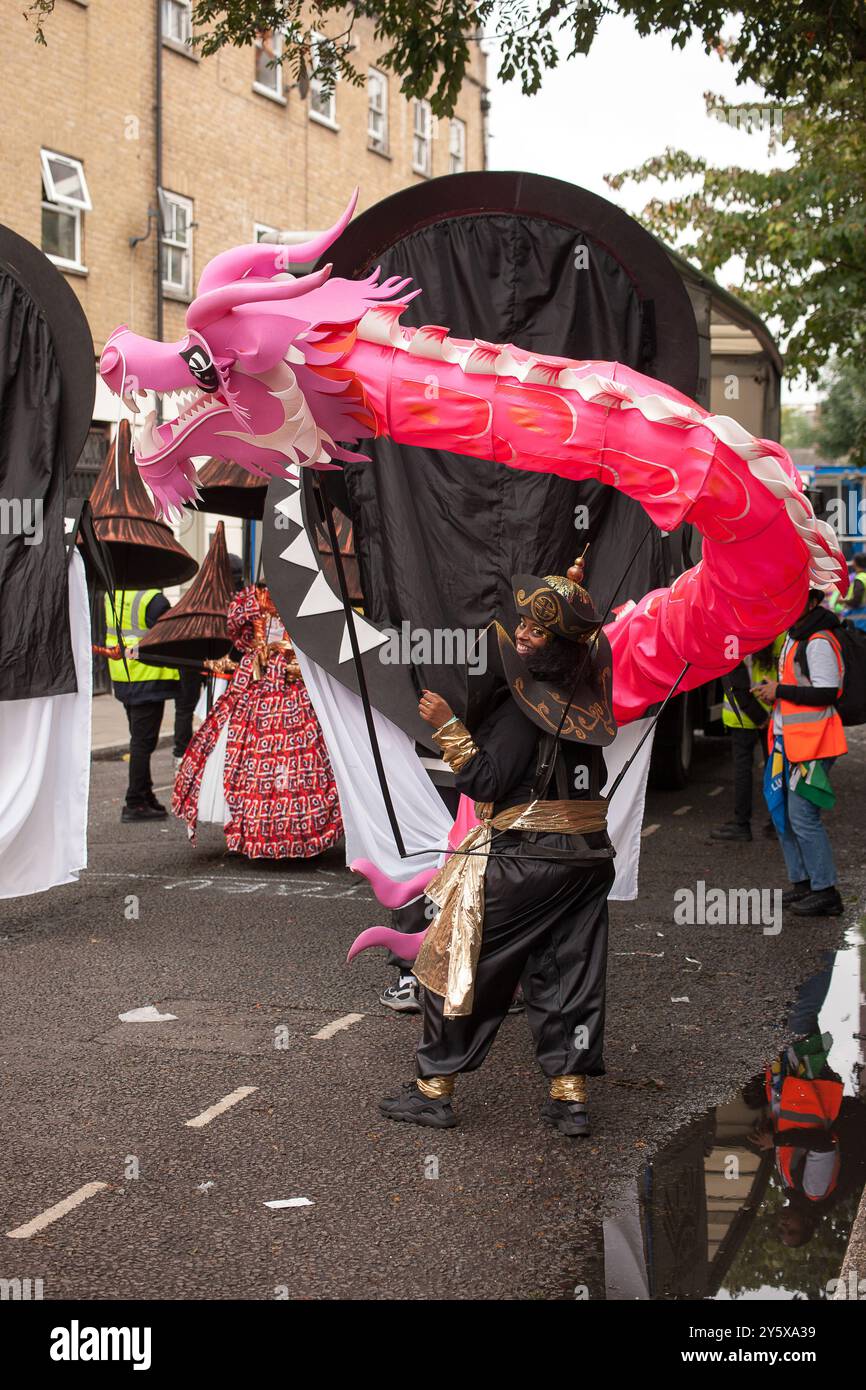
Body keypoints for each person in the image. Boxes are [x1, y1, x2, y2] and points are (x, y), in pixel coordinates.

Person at [379, 557, 618, 1136]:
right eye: (525, 626)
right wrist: (569, 599)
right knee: (566, 970)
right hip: (587, 859)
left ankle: (433, 1089)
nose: (523, 635)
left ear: (553, 647)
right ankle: (570, 1101)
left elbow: (485, 781)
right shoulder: (583, 702)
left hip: (529, 858)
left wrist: (447, 728)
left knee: (455, 963)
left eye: (537, 630)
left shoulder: (522, 710)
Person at [173, 583, 343, 859]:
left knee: (299, 763)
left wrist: (288, 658)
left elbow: (316, 644)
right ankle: (254, 831)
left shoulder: (303, 599)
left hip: (293, 688)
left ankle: (294, 833)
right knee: (245, 761)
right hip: (257, 687)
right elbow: (244, 641)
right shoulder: (255, 599)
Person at [753, 589, 846, 917]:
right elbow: (799, 686)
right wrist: (773, 691)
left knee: (803, 818)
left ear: (810, 602)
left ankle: (826, 892)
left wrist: (780, 690)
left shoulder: (817, 640)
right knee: (784, 816)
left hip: (813, 743)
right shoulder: (796, 635)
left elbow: (827, 691)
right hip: (790, 741)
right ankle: (804, 883)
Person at [105, 587, 179, 822]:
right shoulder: (153, 599)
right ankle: (135, 801)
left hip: (124, 677)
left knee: (139, 740)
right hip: (148, 677)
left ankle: (145, 794)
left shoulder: (112, 593)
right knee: (143, 743)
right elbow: (171, 633)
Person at [710, 637, 783, 842]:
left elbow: (733, 678)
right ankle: (776, 824)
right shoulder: (779, 632)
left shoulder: (736, 632)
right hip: (773, 711)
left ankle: (742, 824)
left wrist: (756, 715)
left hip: (741, 713)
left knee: (743, 770)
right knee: (775, 770)